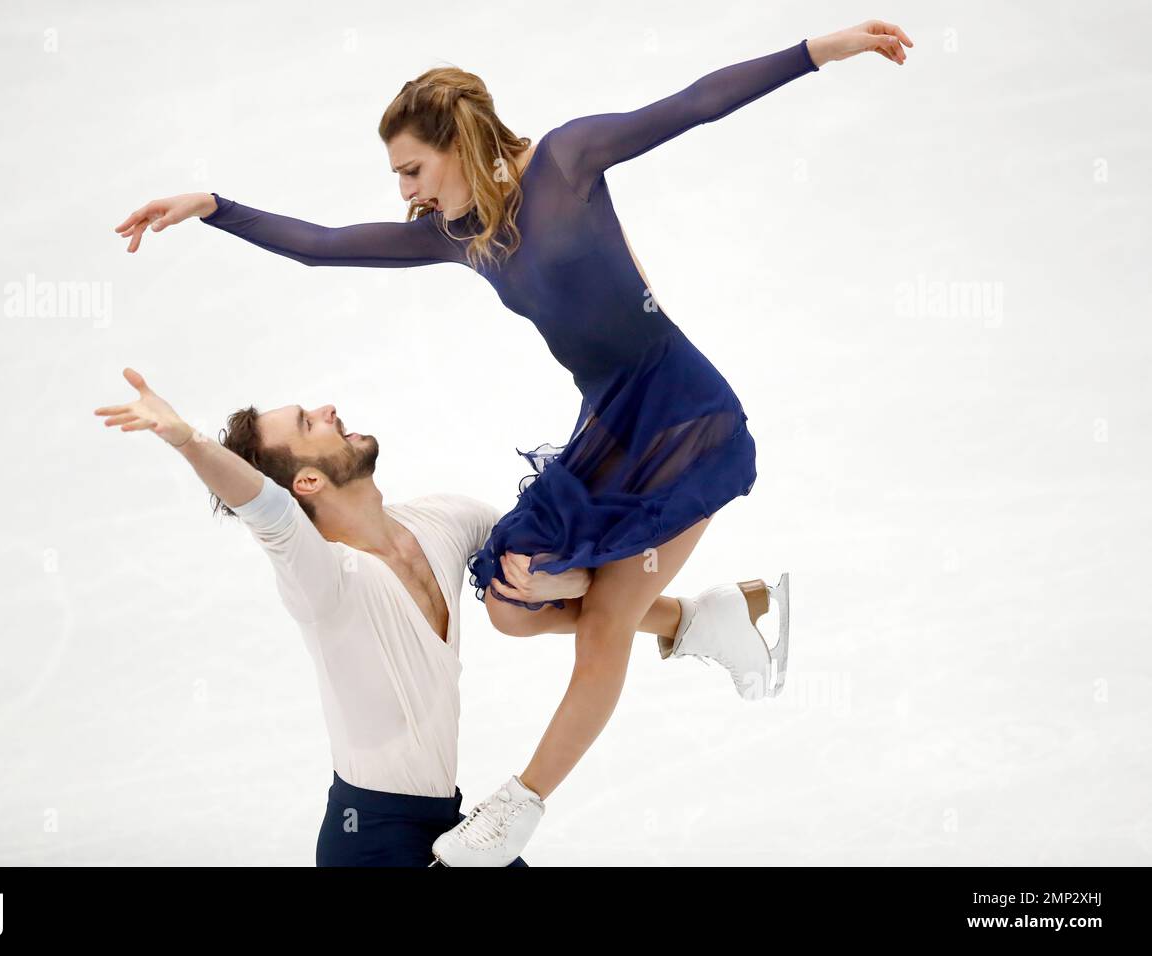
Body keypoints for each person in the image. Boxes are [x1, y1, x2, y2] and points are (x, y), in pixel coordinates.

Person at [112, 21, 909, 865]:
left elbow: (694, 105)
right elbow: (325, 249)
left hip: (682, 418)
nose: (409, 194)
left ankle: (520, 806)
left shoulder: (567, 162)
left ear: (457, 143)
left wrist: (823, 49)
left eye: (414, 169)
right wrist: (213, 209)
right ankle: (716, 619)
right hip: (606, 429)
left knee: (605, 617)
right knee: (507, 604)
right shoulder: (457, 237)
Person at [93, 367, 776, 866]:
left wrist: (547, 578)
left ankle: (701, 621)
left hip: (447, 823)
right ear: (306, 482)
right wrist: (187, 441)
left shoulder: (444, 520)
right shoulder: (323, 578)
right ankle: (701, 620)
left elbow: (568, 582)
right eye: (308, 424)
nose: (328, 409)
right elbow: (264, 513)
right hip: (372, 843)